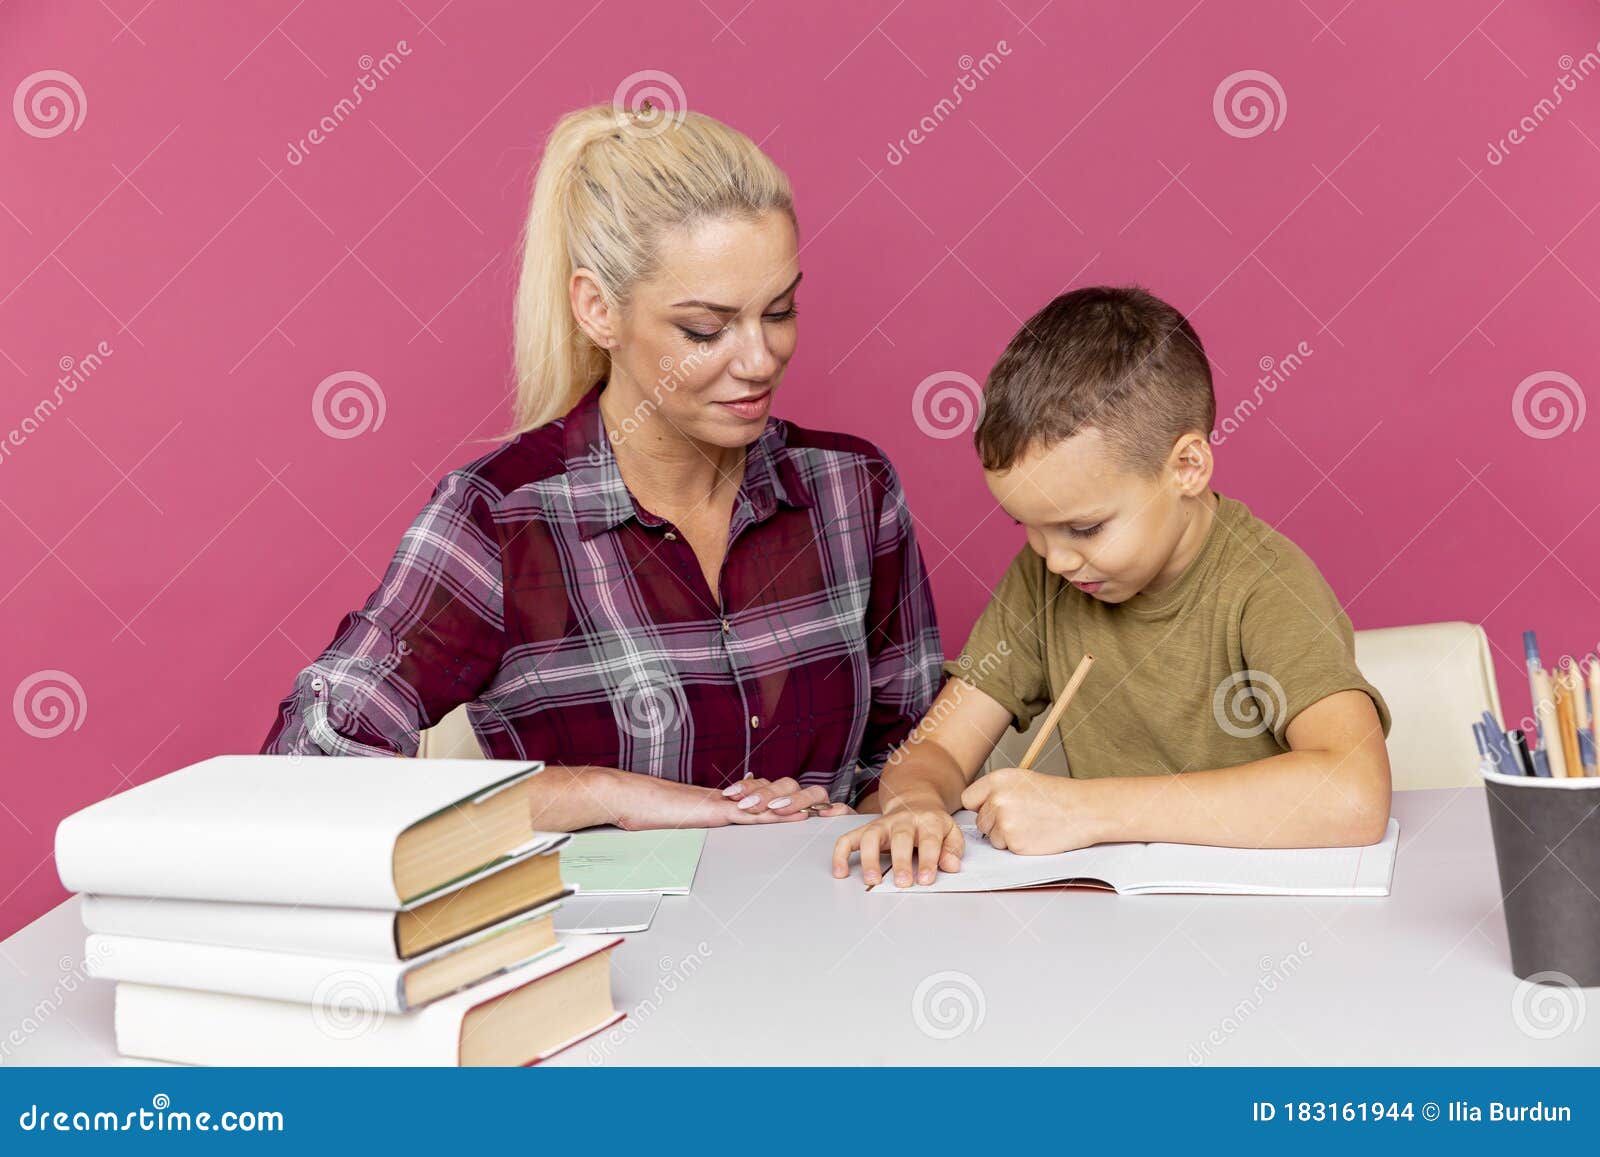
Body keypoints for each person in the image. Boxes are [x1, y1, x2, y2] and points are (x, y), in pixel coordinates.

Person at [261, 103, 943, 833]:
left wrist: (879, 811)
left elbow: (911, 753)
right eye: (706, 328)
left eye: (779, 312)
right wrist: (602, 796)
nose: (760, 360)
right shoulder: (501, 519)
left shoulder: (853, 492)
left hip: (830, 932)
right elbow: (308, 760)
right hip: (597, 942)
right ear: (598, 310)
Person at [831, 285, 1393, 888]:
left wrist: (1088, 809)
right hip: (1114, 933)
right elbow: (936, 751)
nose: (1055, 560)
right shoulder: (1047, 578)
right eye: (1029, 528)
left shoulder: (1265, 584)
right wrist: (913, 803)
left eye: (1084, 527)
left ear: (1186, 467)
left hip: (1266, 926)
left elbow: (1354, 794)